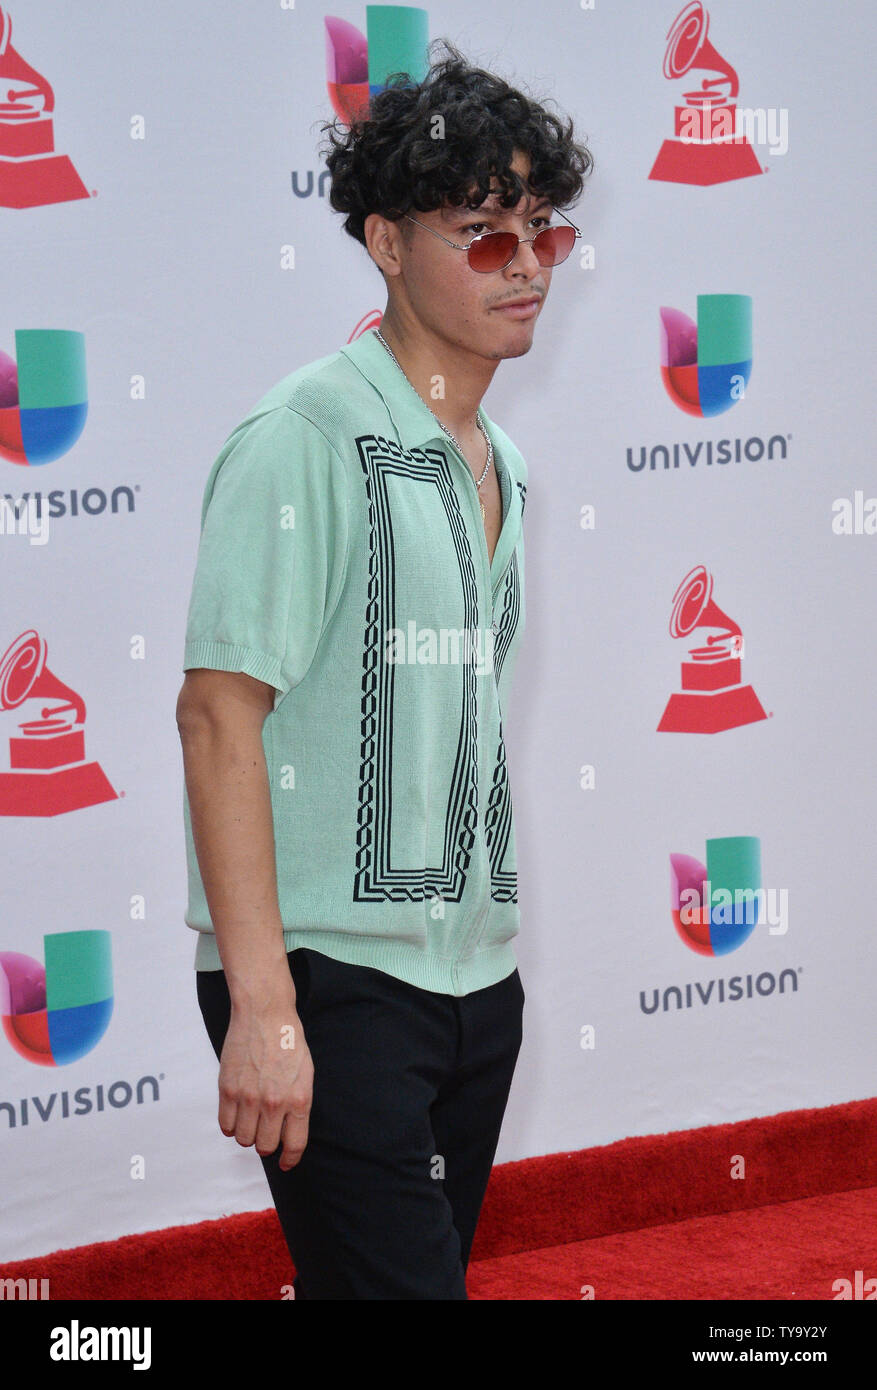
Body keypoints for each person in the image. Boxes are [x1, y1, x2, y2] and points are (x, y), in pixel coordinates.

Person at [176, 38, 592, 1300]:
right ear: (385, 243)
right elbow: (214, 716)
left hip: (475, 985)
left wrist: (489, 984)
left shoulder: (500, 464)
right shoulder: (304, 433)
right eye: (480, 232)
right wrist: (264, 1010)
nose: (522, 264)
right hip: (329, 985)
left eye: (543, 231)